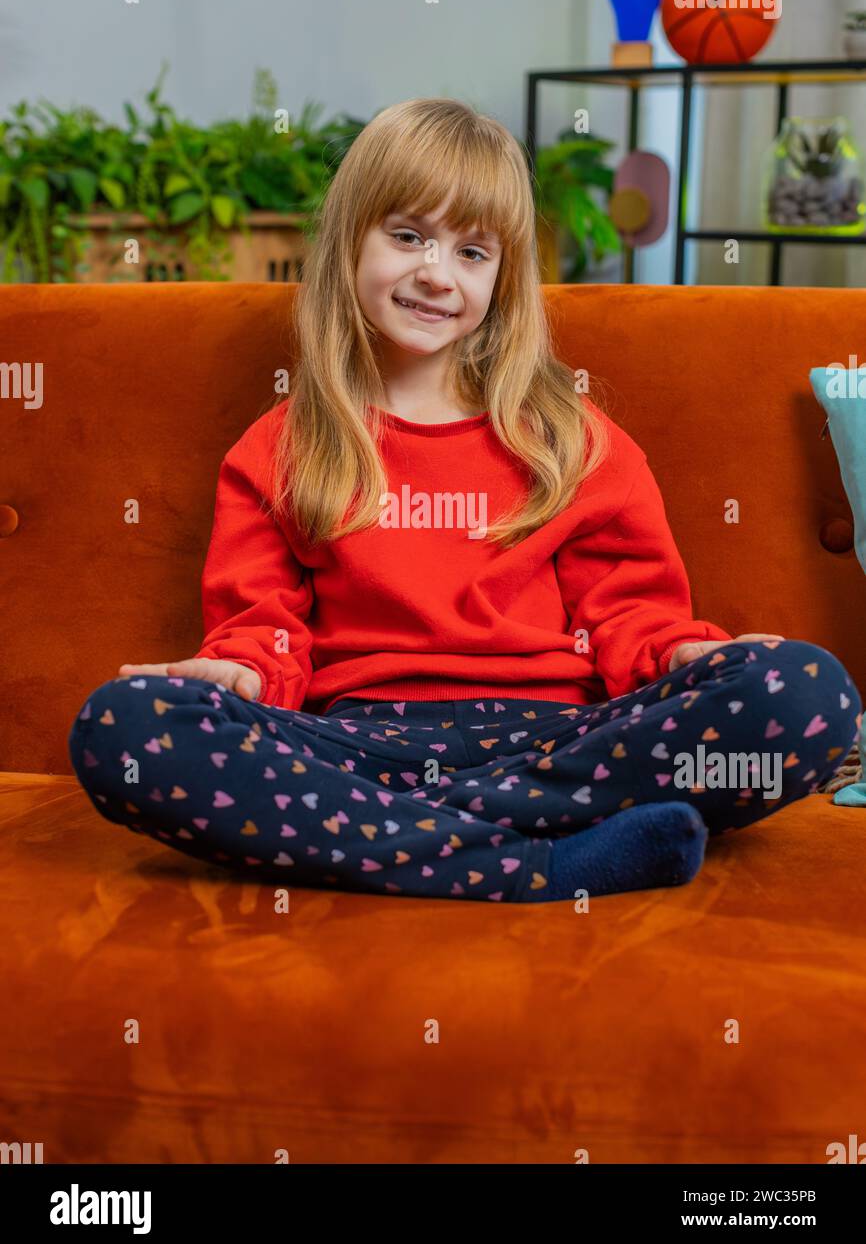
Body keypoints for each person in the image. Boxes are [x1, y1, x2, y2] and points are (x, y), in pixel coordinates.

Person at [68, 97, 862, 905]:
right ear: (350, 241)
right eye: (408, 235)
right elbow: (262, 630)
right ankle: (542, 863)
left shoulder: (572, 439)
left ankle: (399, 835)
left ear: (502, 278)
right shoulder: (278, 447)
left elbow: (632, 616)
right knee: (124, 725)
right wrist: (234, 673)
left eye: (472, 251)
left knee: (803, 691)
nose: (435, 273)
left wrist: (684, 656)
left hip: (558, 746)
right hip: (351, 745)